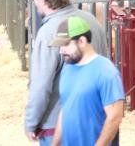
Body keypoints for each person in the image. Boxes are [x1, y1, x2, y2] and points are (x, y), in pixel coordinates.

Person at [24, 0, 107, 146]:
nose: (34, 1)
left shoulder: (47, 33)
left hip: (58, 126)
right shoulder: (91, 20)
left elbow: (41, 84)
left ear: (44, 0)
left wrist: (31, 122)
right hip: (94, 120)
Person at [50, 16, 125, 146]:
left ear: (82, 41)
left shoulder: (106, 72)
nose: (61, 50)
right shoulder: (67, 68)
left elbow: (115, 117)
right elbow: (66, 109)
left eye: (66, 44)